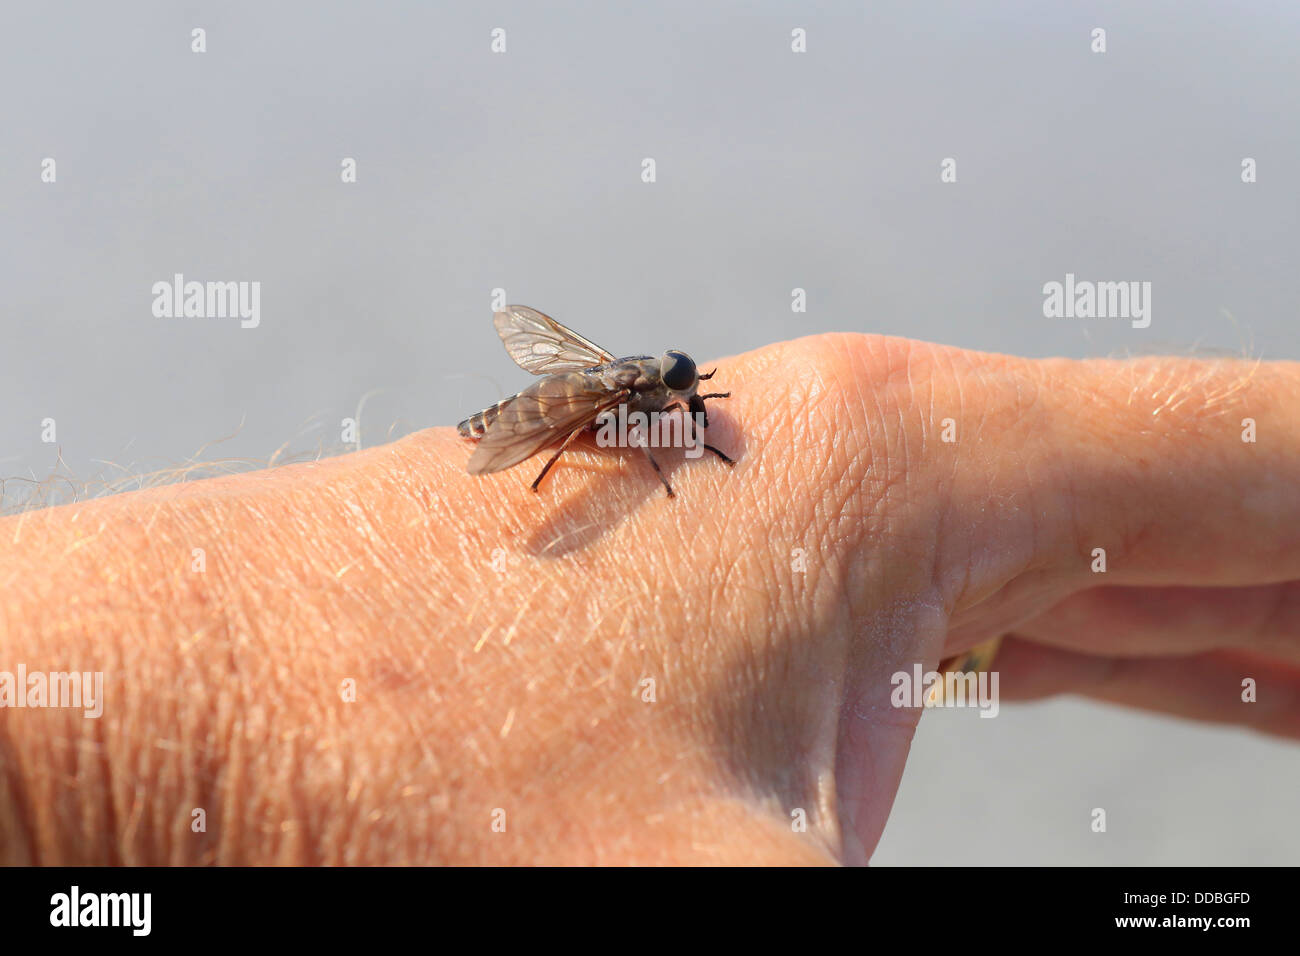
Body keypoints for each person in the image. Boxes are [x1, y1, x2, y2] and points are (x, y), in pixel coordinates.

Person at [2, 334, 1296, 865]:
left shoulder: (649, 391)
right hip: (520, 438)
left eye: (687, 390)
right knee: (568, 445)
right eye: (686, 393)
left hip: (545, 409)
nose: (690, 399)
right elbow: (579, 421)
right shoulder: (622, 411)